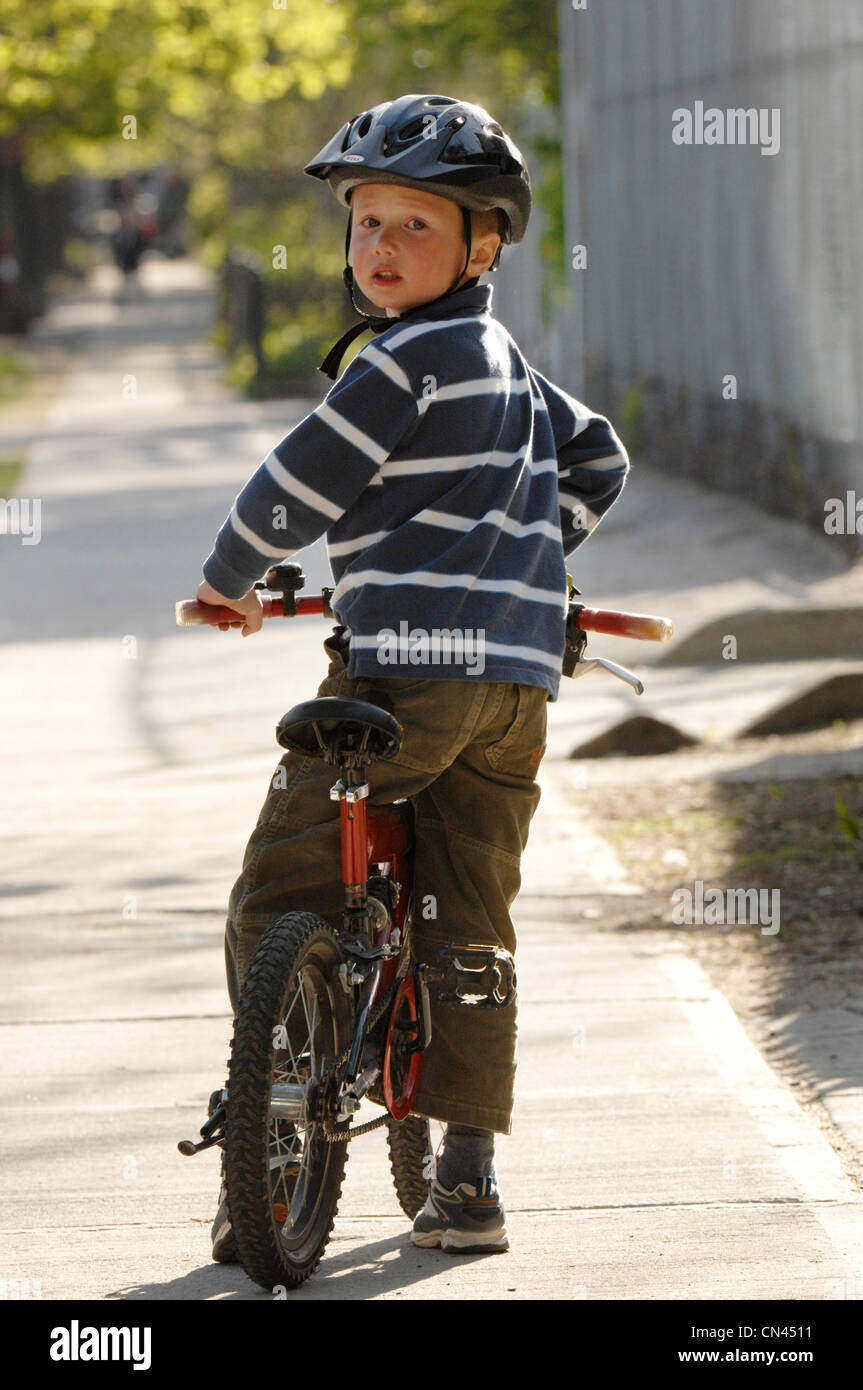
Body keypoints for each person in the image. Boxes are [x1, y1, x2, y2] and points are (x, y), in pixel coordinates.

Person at [198, 93, 630, 1259]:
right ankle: (467, 1184)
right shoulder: (504, 361)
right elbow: (599, 458)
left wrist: (233, 578)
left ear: (482, 244)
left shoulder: (396, 366)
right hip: (517, 687)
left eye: (412, 228)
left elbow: (297, 484)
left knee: (282, 880)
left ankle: (268, 1116)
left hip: (405, 681)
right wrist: (526, 558)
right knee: (471, 919)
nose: (379, 249)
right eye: (364, 224)